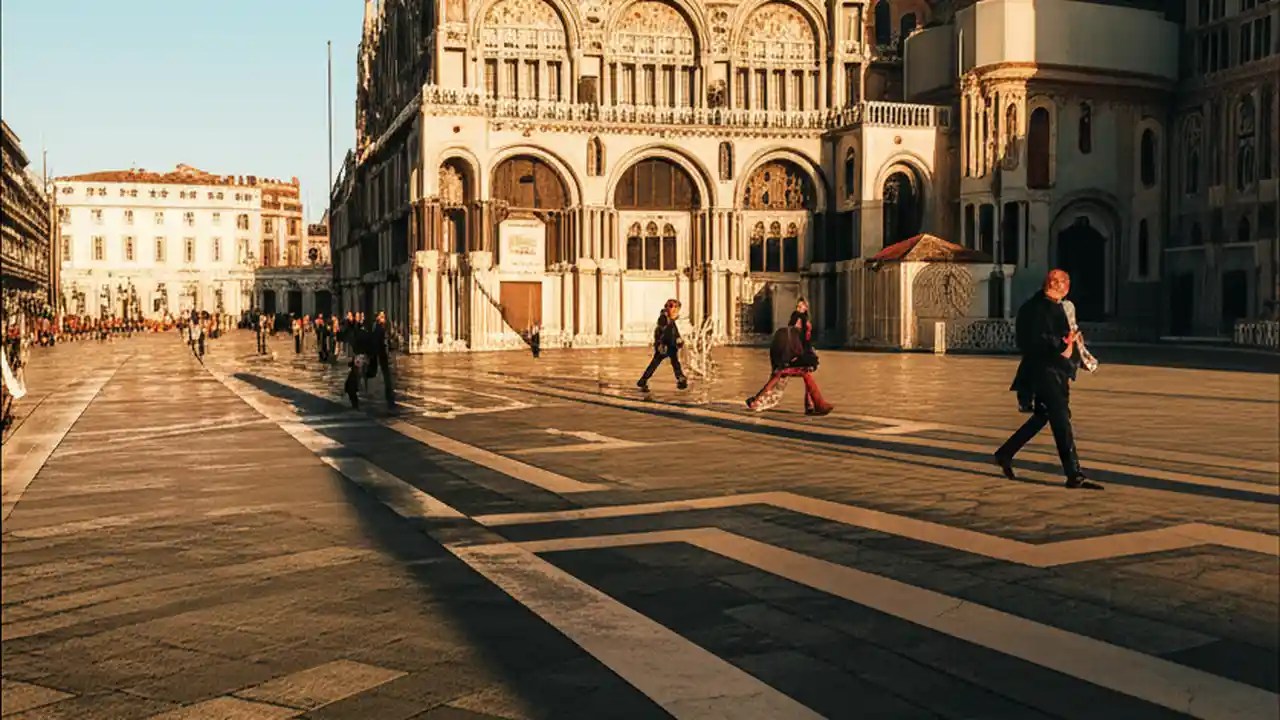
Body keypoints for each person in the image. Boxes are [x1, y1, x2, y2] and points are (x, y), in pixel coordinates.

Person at [995, 269, 1101, 490]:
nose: (1067, 288)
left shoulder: (1036, 306)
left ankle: (1005, 453)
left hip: (1045, 371)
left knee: (1043, 415)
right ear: (1058, 284)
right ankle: (1074, 474)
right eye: (1065, 283)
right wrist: (1065, 344)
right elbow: (1041, 341)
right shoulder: (1043, 309)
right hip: (1047, 372)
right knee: (1061, 419)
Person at [746, 321, 833, 415]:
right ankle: (815, 405)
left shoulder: (787, 333)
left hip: (784, 362)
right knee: (805, 374)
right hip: (789, 361)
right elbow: (803, 352)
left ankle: (812, 405)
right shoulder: (796, 335)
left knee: (781, 376)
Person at [637, 299, 688, 392]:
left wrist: (678, 339)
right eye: (674, 309)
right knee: (656, 363)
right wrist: (661, 343)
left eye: (677, 309)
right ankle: (643, 380)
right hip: (665, 345)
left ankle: (680, 378)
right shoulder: (664, 318)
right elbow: (660, 332)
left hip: (670, 345)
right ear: (668, 308)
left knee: (673, 362)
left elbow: (674, 331)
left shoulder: (670, 319)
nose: (676, 312)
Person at [372, 311, 395, 404]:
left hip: (385, 353)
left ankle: (388, 390)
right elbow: (378, 341)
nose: (383, 318)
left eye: (384, 316)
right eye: (381, 317)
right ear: (378, 318)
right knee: (385, 373)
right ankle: (386, 391)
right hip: (381, 353)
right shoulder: (378, 328)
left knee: (387, 373)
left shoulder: (384, 327)